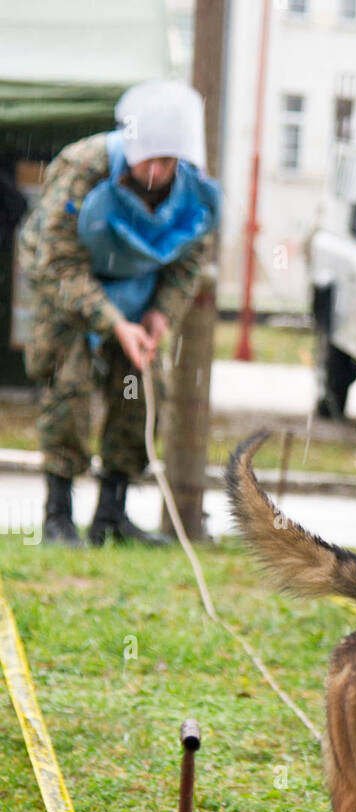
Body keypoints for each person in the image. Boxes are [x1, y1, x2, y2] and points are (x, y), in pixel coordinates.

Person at [19, 80, 221, 546]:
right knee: (66, 386)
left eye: (169, 162)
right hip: (68, 288)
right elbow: (58, 261)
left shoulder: (193, 191)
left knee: (141, 391)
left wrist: (159, 316)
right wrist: (112, 323)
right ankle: (58, 516)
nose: (158, 172)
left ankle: (112, 514)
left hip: (137, 292)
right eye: (151, 160)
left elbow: (190, 257)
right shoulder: (81, 168)